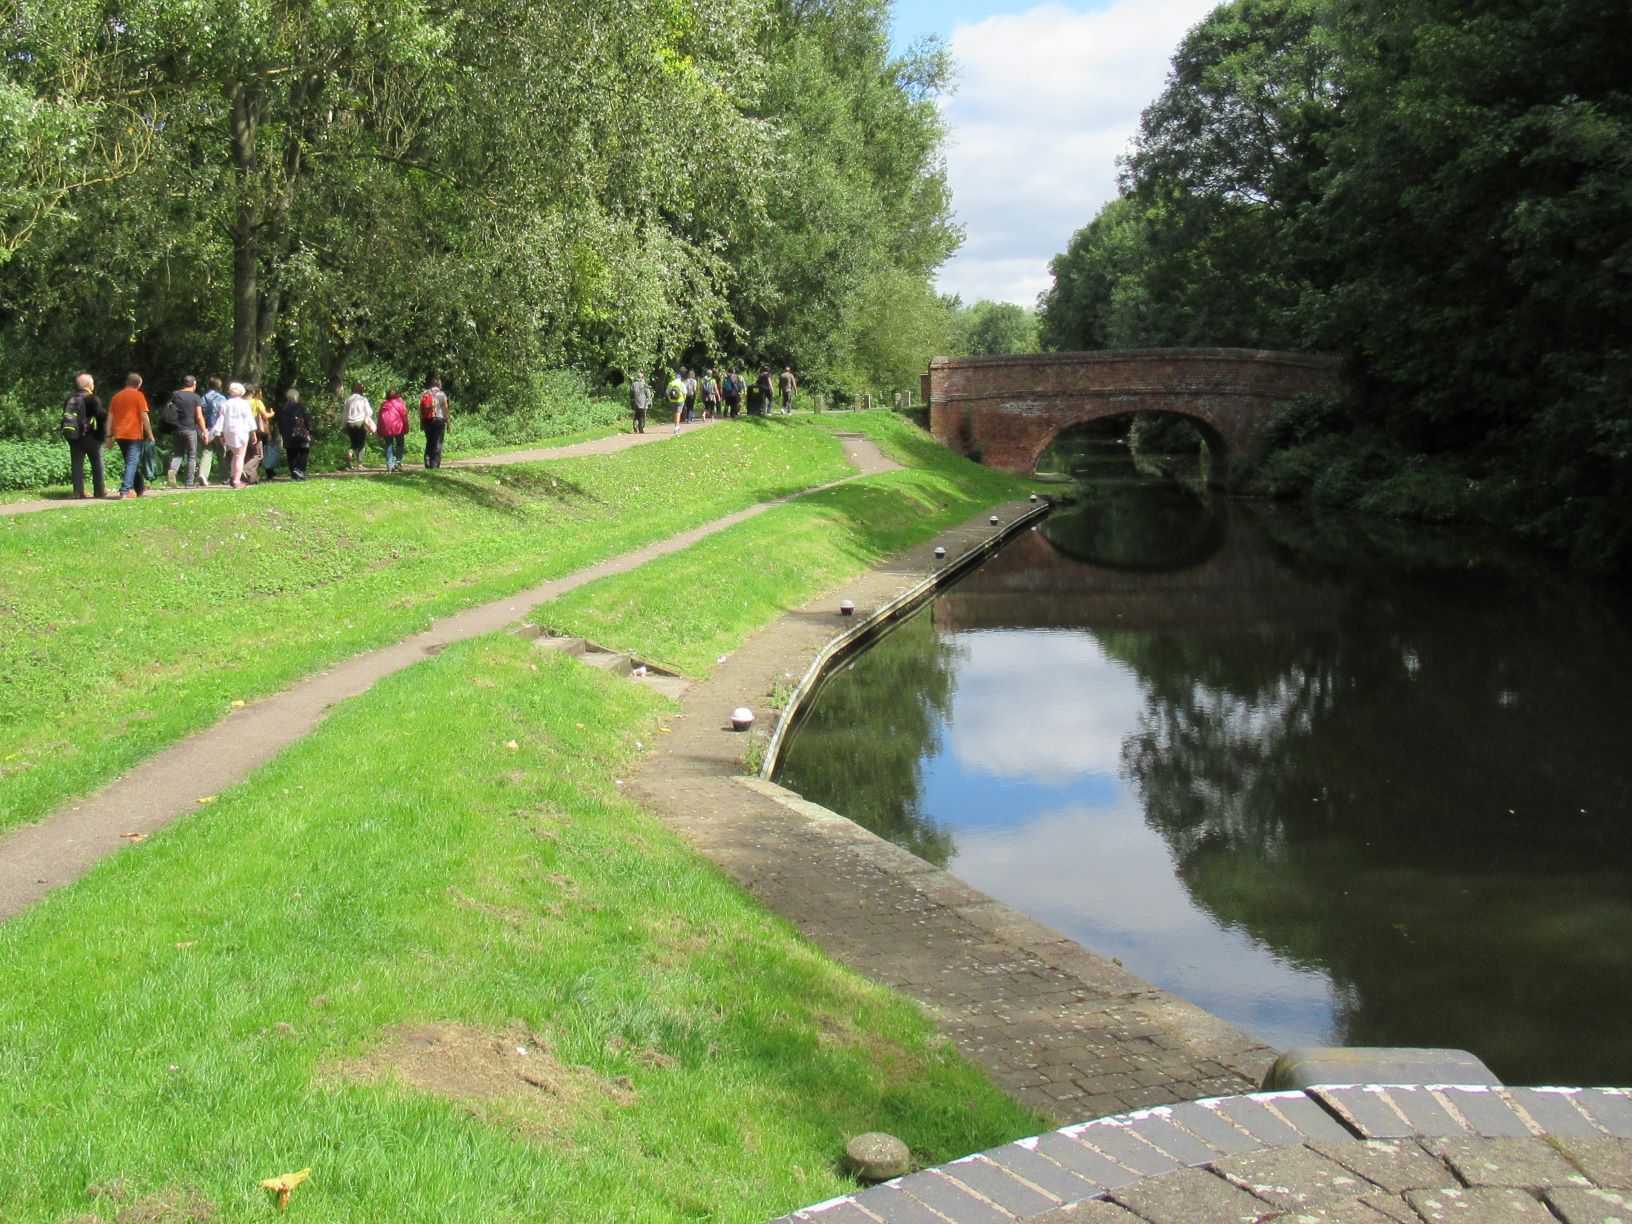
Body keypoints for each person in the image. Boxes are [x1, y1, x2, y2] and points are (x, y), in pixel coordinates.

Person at [105, 373, 153, 499]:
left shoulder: (116, 396)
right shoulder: (138, 395)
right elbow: (144, 416)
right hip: (134, 435)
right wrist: (150, 434)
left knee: (131, 462)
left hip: (119, 435)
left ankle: (140, 489)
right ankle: (124, 491)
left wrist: (109, 436)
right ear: (139, 384)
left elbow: (110, 417)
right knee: (131, 462)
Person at [60, 372, 107, 499]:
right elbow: (101, 416)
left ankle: (78, 492)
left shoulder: (70, 398)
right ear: (89, 385)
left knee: (76, 465)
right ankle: (99, 491)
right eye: (93, 383)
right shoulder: (92, 398)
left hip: (74, 437)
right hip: (92, 437)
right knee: (97, 465)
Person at [163, 376, 207, 488]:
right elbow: (199, 416)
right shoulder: (196, 397)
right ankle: (189, 482)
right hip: (190, 429)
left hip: (176, 429)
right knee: (192, 455)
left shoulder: (175, 395)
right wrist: (204, 431)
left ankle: (173, 470)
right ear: (194, 384)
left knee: (178, 453)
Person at [218, 382, 257, 489]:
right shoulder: (244, 403)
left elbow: (221, 419)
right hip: (241, 432)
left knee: (235, 456)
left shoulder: (226, 404)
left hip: (229, 432)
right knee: (240, 456)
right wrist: (253, 433)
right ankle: (236, 480)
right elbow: (249, 419)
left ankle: (232, 476)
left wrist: (221, 434)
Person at [277, 388, 313, 479]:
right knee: (304, 452)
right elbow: (307, 419)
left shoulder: (282, 408)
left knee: (291, 454)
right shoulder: (301, 407)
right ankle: (299, 470)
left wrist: (282, 433)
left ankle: (294, 473)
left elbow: (280, 422)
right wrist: (310, 429)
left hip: (287, 435)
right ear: (297, 397)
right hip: (301, 434)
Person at [199, 377, 227, 486]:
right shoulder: (221, 398)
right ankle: (225, 477)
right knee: (222, 453)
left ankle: (203, 474)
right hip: (217, 429)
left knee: (206, 453)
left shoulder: (203, 398)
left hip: (205, 429)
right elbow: (223, 414)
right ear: (219, 386)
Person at [419, 377, 449, 468]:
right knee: (438, 442)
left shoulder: (424, 393)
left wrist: (421, 422)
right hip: (438, 421)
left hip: (427, 420)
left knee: (429, 441)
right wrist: (448, 423)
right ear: (439, 385)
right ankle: (435, 464)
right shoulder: (441, 394)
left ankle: (427, 461)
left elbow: (420, 410)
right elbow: (445, 410)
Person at [343, 382, 374, 469]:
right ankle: (360, 464)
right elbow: (369, 412)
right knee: (361, 443)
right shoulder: (363, 400)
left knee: (353, 443)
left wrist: (344, 425)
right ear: (360, 390)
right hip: (360, 422)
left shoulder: (348, 400)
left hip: (350, 423)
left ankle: (350, 454)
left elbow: (344, 414)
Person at [254, 385, 282, 480]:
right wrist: (272, 414)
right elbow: (264, 415)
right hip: (260, 430)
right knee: (266, 449)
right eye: (260, 392)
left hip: (248, 429)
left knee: (251, 451)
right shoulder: (258, 402)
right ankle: (269, 472)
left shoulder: (244, 401)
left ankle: (251, 472)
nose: (261, 394)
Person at [377, 388, 409, 471]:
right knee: (400, 444)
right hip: (398, 427)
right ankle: (398, 463)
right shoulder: (399, 403)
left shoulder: (384, 404)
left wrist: (379, 429)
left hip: (386, 428)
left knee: (388, 444)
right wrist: (406, 427)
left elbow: (379, 418)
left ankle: (389, 465)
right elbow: (404, 416)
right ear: (397, 395)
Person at [666, 369, 686, 435]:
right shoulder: (681, 383)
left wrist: (669, 398)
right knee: (678, 414)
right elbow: (685, 392)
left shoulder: (671, 383)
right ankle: (677, 427)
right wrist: (684, 399)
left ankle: (676, 425)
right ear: (680, 378)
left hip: (672, 400)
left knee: (675, 413)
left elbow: (667, 392)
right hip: (680, 400)